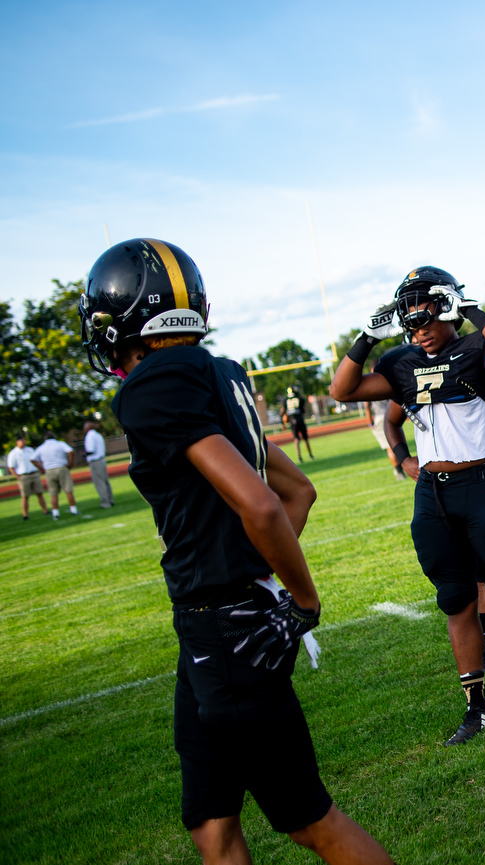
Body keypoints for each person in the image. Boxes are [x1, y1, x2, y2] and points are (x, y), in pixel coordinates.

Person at [79, 237, 392, 864]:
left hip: (226, 630)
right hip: (213, 627)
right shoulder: (217, 369)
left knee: (310, 820)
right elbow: (297, 490)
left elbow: (264, 504)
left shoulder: (153, 383)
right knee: (211, 822)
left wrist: (301, 600)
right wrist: (259, 581)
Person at [329, 266, 485, 746]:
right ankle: (476, 706)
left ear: (446, 311)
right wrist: (365, 336)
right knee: (455, 596)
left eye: (427, 318)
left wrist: (465, 306)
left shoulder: (476, 349)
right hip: (433, 491)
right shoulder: (401, 361)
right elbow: (342, 391)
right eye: (411, 322)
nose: (419, 330)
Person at [386, 373, 485, 670]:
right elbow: (389, 418)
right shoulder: (410, 372)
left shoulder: (467, 360)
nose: (421, 335)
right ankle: (479, 678)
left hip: (481, 482)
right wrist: (404, 457)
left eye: (427, 324)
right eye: (414, 329)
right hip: (435, 488)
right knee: (454, 587)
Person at [32, 430, 78, 519]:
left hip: (49, 470)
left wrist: (41, 468)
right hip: (61, 468)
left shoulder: (42, 447)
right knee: (68, 490)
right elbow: (71, 451)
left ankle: (55, 514)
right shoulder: (60, 444)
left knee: (53, 493)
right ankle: (74, 510)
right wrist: (70, 464)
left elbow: (33, 458)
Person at [6, 434, 49, 520]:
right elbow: (11, 467)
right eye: (21, 440)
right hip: (24, 476)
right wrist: (17, 477)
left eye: (24, 440)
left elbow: (36, 460)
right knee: (25, 496)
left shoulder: (30, 450)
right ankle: (25, 515)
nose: (23, 442)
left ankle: (45, 510)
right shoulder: (13, 453)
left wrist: (40, 470)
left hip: (34, 474)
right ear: (17, 442)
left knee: (40, 493)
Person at [83, 418, 115, 508]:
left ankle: (105, 502)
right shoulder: (98, 435)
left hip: (95, 461)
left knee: (99, 482)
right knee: (105, 481)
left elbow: (90, 450)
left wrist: (84, 453)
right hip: (101, 459)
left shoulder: (90, 436)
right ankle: (110, 499)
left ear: (88, 428)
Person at [280, 385, 315, 463]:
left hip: (292, 420)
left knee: (296, 439)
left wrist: (282, 423)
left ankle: (299, 457)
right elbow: (303, 410)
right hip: (300, 419)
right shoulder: (300, 399)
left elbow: (282, 411)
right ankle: (310, 455)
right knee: (305, 438)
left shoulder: (286, 400)